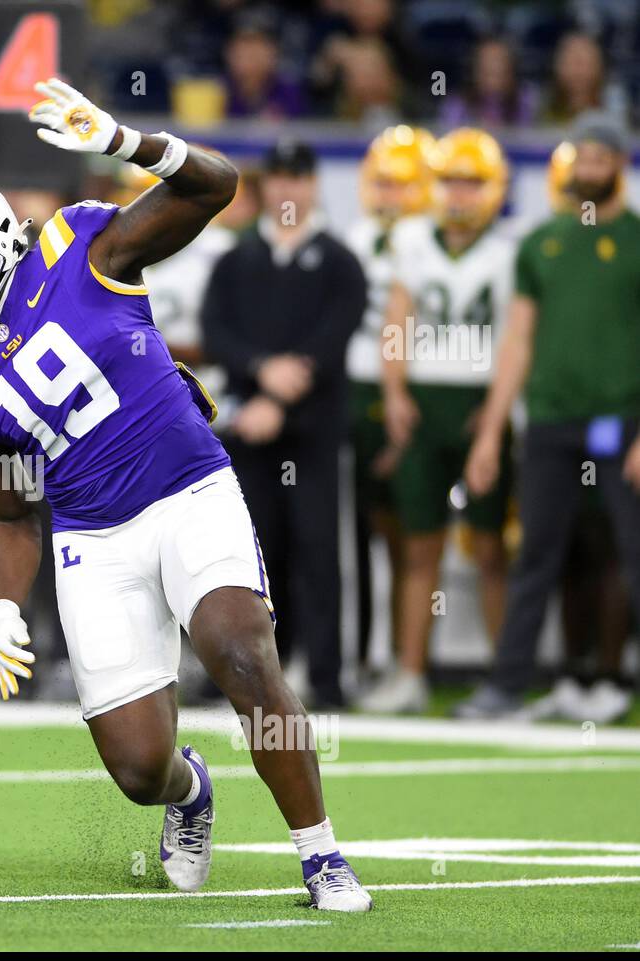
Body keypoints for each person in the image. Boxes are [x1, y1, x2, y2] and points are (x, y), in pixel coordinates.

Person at [0, 80, 371, 911]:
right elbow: (11, 504)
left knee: (240, 653)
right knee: (136, 769)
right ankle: (191, 791)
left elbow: (215, 187)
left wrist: (129, 142)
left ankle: (322, 854)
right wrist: (7, 605)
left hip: (188, 487)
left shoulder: (78, 247)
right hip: (93, 536)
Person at [462, 115, 640, 723]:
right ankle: (509, 686)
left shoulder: (637, 240)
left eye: (599, 156)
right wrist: (490, 430)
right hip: (550, 423)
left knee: (629, 551)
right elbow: (518, 341)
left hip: (622, 423)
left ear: (618, 163)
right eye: (580, 155)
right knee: (537, 551)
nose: (589, 167)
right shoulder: (543, 244)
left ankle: (613, 678)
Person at [202, 140, 367, 709]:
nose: (288, 190)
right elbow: (216, 330)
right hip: (249, 435)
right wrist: (258, 370)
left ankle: (326, 679)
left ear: (314, 185)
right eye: (279, 178)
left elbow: (333, 336)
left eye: (299, 178)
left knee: (319, 554)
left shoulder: (340, 261)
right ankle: (247, 677)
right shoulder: (236, 260)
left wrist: (281, 396)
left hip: (312, 436)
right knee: (248, 560)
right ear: (266, 186)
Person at [362, 129, 516, 714]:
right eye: (450, 180)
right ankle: (410, 672)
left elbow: (513, 339)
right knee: (419, 544)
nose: (458, 194)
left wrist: (498, 415)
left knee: (489, 544)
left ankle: (506, 674)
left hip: (479, 402)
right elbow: (397, 319)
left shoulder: (508, 251)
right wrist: (395, 391)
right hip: (425, 402)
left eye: (471, 182)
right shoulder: (413, 240)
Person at [341, 125, 434, 685]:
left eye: (401, 184)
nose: (388, 195)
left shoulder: (424, 241)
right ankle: (365, 657)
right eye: (382, 183)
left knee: (410, 533)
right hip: (352, 390)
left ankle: (406, 660)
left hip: (402, 390)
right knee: (359, 534)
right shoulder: (356, 237)